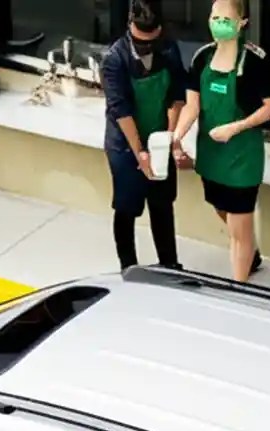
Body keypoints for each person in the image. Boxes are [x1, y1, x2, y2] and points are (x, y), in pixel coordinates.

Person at [173, 0, 270, 282]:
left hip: (241, 159)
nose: (217, 23)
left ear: (242, 22)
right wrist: (174, 137)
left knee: (239, 230)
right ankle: (251, 253)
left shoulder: (255, 63)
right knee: (222, 209)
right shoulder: (201, 59)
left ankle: (238, 288)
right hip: (211, 157)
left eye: (225, 18)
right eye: (214, 16)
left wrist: (235, 127)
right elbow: (192, 106)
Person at [101, 0, 189, 271]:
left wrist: (169, 138)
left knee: (162, 203)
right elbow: (121, 111)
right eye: (140, 43)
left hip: (159, 137)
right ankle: (128, 266)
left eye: (151, 42)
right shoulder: (114, 60)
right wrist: (140, 152)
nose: (146, 48)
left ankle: (169, 264)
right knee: (127, 206)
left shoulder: (169, 49)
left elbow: (176, 96)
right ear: (130, 26)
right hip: (125, 147)